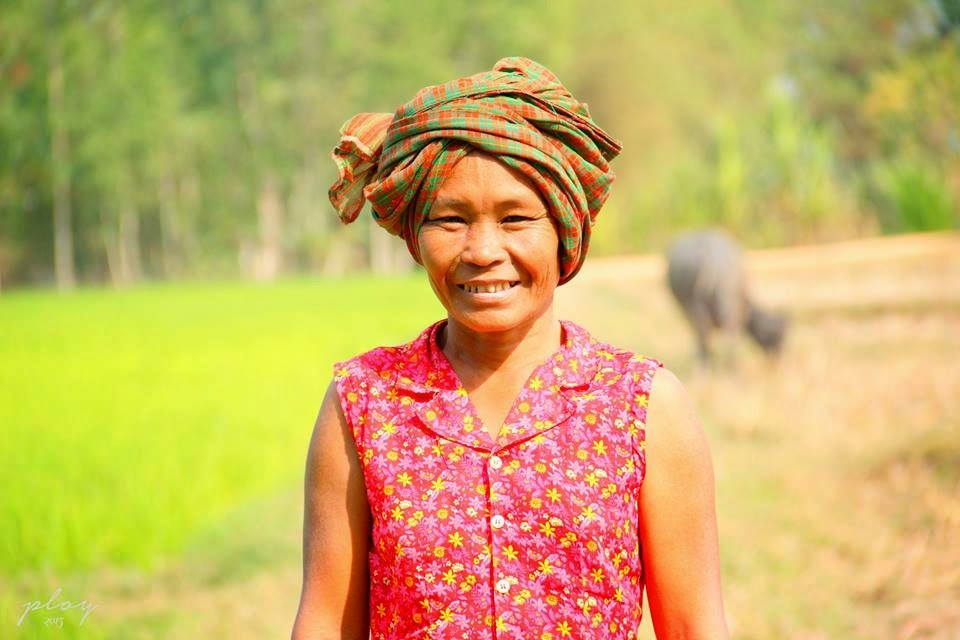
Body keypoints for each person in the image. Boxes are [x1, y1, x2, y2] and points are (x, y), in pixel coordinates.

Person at [291, 58, 728, 640]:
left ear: (563, 230)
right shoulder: (363, 405)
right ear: (416, 238)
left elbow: (695, 626)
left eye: (516, 218)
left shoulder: (643, 407)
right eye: (450, 219)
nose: (482, 250)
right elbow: (324, 623)